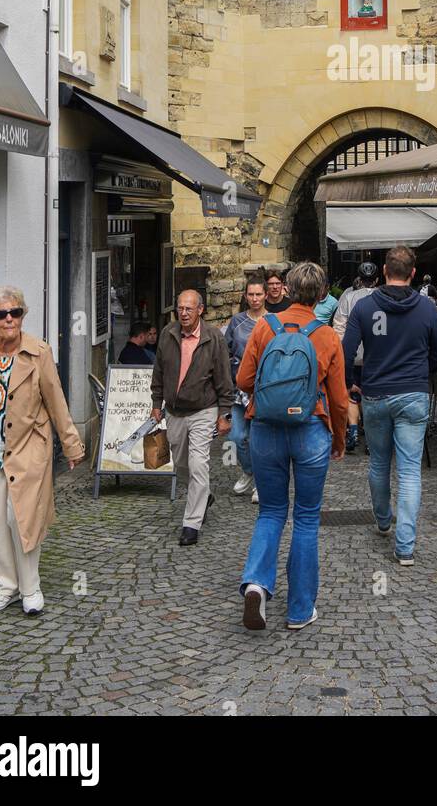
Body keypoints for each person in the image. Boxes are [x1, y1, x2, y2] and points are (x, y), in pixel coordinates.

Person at [0, 286, 84, 615]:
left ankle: (31, 588)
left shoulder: (39, 353)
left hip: (28, 449)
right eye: (2, 314)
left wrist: (71, 444)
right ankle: (5, 585)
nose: (9, 319)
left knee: (22, 520)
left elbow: (56, 402)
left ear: (22, 315)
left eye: (15, 313)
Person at [237, 262, 348, 632]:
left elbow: (244, 379)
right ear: (321, 295)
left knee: (270, 512)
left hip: (266, 429)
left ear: (284, 289)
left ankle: (257, 584)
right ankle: (300, 609)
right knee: (305, 517)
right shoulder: (328, 337)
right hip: (310, 429)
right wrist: (340, 439)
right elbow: (339, 400)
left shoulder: (264, 327)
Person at [342, 244, 437, 566]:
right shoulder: (428, 309)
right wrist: (418, 373)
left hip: (375, 394)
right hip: (413, 395)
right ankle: (405, 547)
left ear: (385, 271)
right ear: (413, 273)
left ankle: (383, 519)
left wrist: (350, 383)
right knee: (410, 471)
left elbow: (346, 350)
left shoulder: (364, 307)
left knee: (378, 464)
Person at [151, 290, 232, 547]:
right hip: (175, 411)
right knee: (181, 464)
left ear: (200, 310)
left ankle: (191, 523)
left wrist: (224, 413)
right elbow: (159, 369)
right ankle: (204, 494)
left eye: (189, 309)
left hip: (203, 409)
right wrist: (156, 402)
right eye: (180, 309)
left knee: (198, 464)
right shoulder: (168, 333)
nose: (183, 313)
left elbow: (223, 377)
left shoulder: (213, 338)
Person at [224, 278, 268, 502]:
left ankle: (261, 482)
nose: (254, 299)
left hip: (264, 391)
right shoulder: (237, 322)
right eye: (251, 294)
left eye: (258, 294)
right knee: (236, 436)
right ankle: (249, 470)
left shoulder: (273, 322)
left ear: (266, 295)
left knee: (259, 438)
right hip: (239, 390)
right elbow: (225, 353)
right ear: (245, 296)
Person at [333, 261, 379, 452]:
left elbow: (339, 326)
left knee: (352, 394)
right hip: (376, 355)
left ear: (359, 279)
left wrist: (341, 350)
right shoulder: (382, 297)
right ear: (376, 280)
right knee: (372, 396)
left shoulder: (349, 297)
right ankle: (370, 436)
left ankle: (352, 431)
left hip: (352, 354)